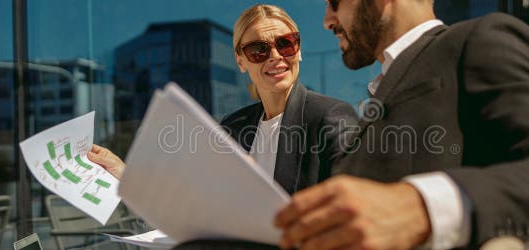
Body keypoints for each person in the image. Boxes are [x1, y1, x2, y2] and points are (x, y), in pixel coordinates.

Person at [274, 0, 529, 249]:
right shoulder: (375, 102)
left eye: (334, 2)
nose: (326, 20)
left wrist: (420, 206)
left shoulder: (477, 40)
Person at [88, 4, 357, 248]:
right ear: (240, 61)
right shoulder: (234, 126)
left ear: (298, 52)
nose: (275, 56)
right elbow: (196, 203)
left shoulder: (330, 116)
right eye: (258, 50)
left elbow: (353, 217)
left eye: (286, 44)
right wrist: (125, 174)